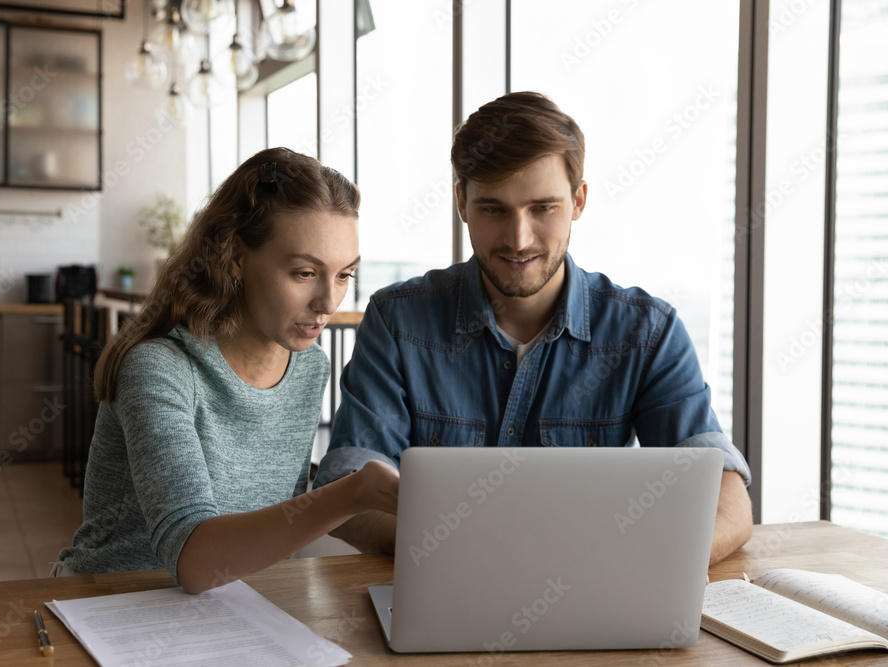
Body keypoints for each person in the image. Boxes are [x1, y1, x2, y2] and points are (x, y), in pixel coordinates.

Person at [315, 91, 753, 565]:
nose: (518, 240)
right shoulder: (398, 320)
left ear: (578, 201)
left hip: (592, 592)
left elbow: (725, 496)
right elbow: (347, 493)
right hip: (443, 597)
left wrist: (640, 565)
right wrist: (506, 558)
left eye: (543, 208)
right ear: (462, 202)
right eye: (493, 209)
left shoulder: (647, 331)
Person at [55, 147, 398, 595]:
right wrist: (351, 493)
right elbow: (195, 561)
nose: (328, 303)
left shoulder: (310, 365)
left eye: (343, 275)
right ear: (236, 257)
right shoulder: (159, 367)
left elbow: (282, 519)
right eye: (304, 273)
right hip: (112, 606)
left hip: (238, 607)